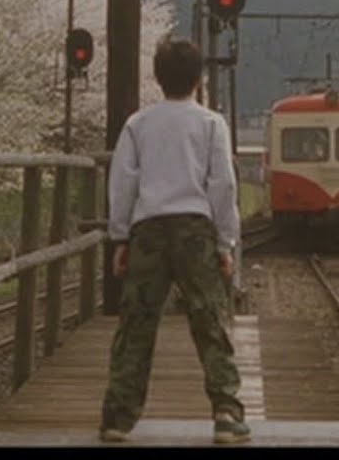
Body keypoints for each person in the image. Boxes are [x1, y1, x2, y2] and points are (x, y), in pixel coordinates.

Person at [98, 36, 250, 445]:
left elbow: (123, 183)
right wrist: (225, 244)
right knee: (210, 319)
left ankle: (118, 417)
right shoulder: (210, 124)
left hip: (148, 229)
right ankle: (226, 413)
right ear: (200, 77)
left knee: (137, 323)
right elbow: (223, 186)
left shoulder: (138, 124)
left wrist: (119, 238)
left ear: (157, 76)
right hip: (194, 230)